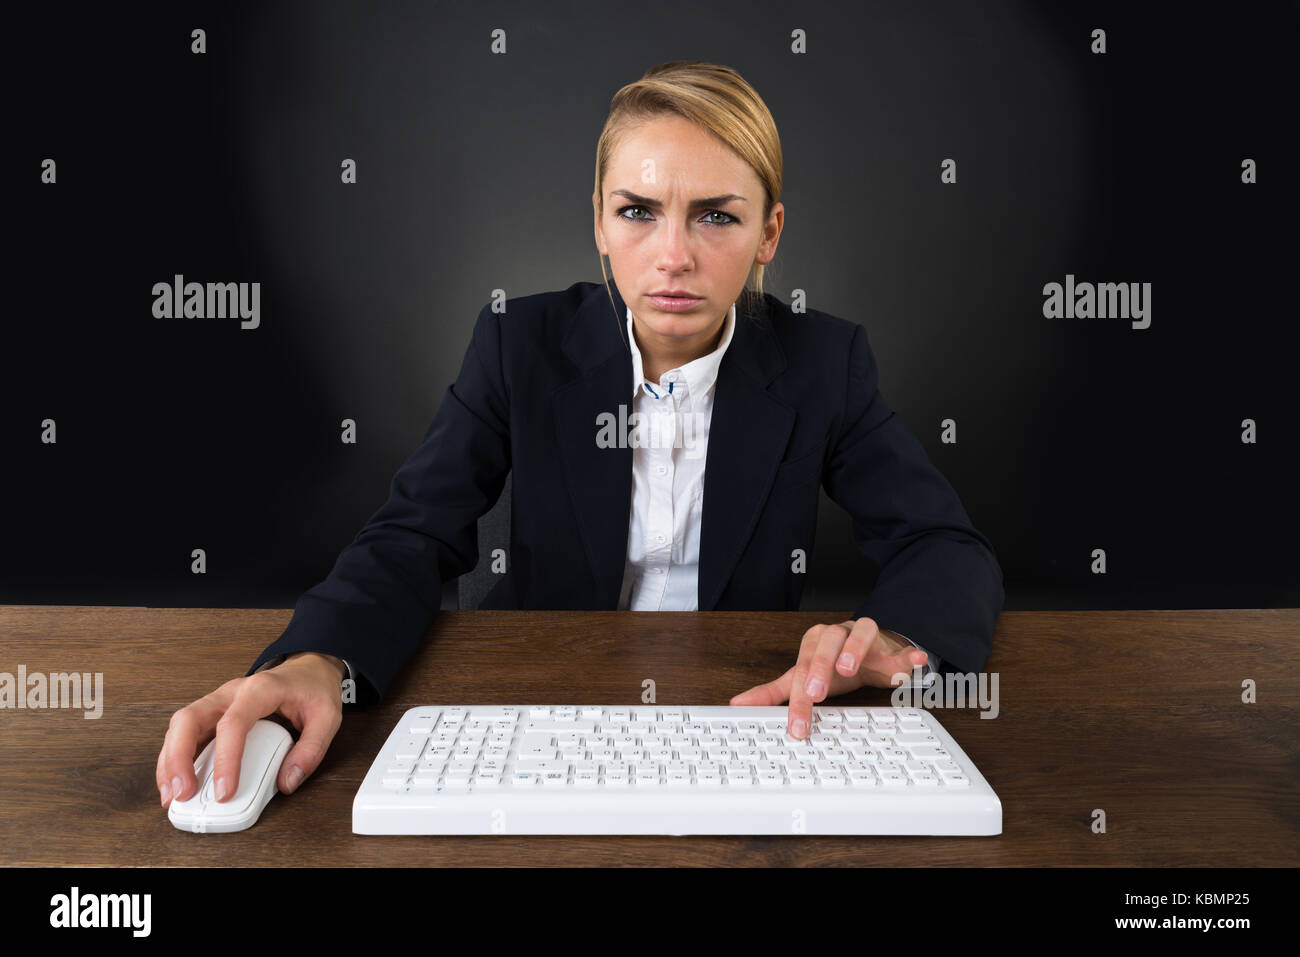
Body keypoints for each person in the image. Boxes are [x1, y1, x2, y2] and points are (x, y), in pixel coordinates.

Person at [156, 60, 1004, 811]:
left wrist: (894, 637)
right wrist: (320, 657)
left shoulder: (825, 362)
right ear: (599, 223)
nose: (672, 254)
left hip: (742, 710)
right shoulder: (518, 345)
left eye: (716, 217)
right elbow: (414, 532)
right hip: (543, 702)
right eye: (638, 211)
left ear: (768, 236)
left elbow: (946, 546)